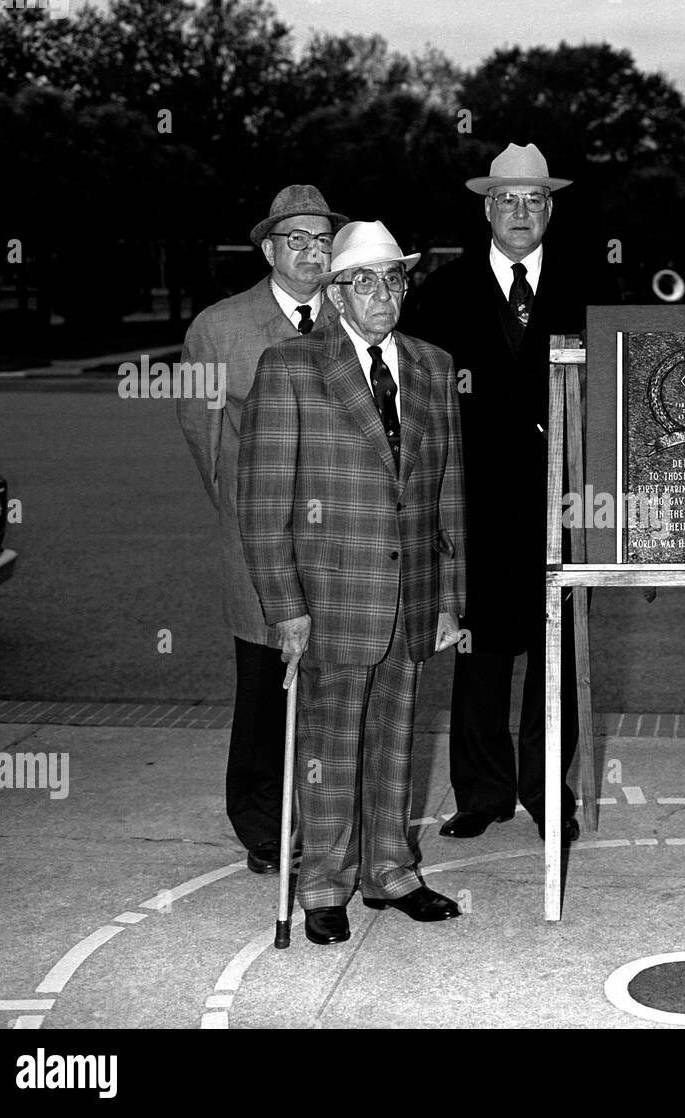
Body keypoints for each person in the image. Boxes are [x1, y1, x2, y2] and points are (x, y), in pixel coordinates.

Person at [237, 220, 466, 945]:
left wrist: (450, 600)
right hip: (331, 596)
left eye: (393, 279)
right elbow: (264, 503)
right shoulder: (291, 367)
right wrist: (286, 608)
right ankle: (323, 884)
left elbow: (448, 492)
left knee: (396, 739)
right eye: (363, 281)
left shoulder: (433, 366)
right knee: (329, 749)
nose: (381, 294)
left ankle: (390, 871)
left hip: (412, 593)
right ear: (336, 293)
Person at [402, 142, 613, 842]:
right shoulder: (442, 293)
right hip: (472, 504)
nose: (521, 212)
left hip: (566, 503)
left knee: (559, 652)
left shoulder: (592, 289)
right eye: (508, 200)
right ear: (486, 208)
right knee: (478, 653)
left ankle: (549, 792)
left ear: (550, 209)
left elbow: (615, 399)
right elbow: (421, 407)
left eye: (534, 200)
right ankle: (482, 792)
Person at [178, 184, 346, 874]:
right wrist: (247, 515)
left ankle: (331, 814)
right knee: (264, 681)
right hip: (260, 532)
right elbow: (204, 438)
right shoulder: (219, 328)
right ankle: (262, 824)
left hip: (341, 533)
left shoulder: (354, 312)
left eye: (322, 240)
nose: (311, 253)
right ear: (269, 249)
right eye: (296, 240)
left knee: (337, 681)